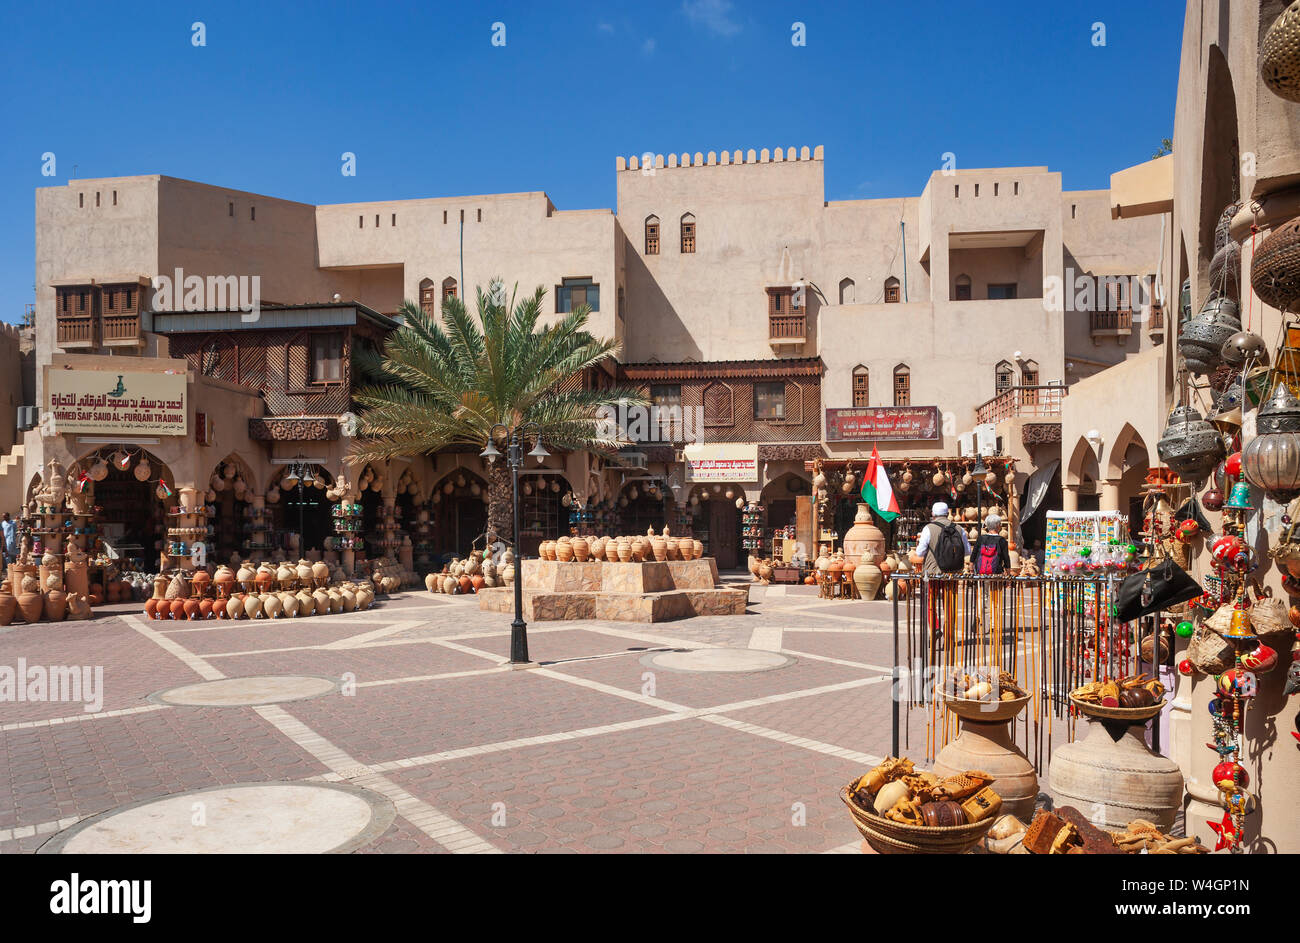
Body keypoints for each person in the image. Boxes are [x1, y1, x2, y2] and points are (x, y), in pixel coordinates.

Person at [910, 502, 970, 575]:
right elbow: (967, 551)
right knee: (952, 586)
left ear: (933, 514)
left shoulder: (928, 528)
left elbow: (920, 553)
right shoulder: (959, 528)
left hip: (934, 573)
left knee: (934, 586)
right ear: (947, 514)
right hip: (954, 574)